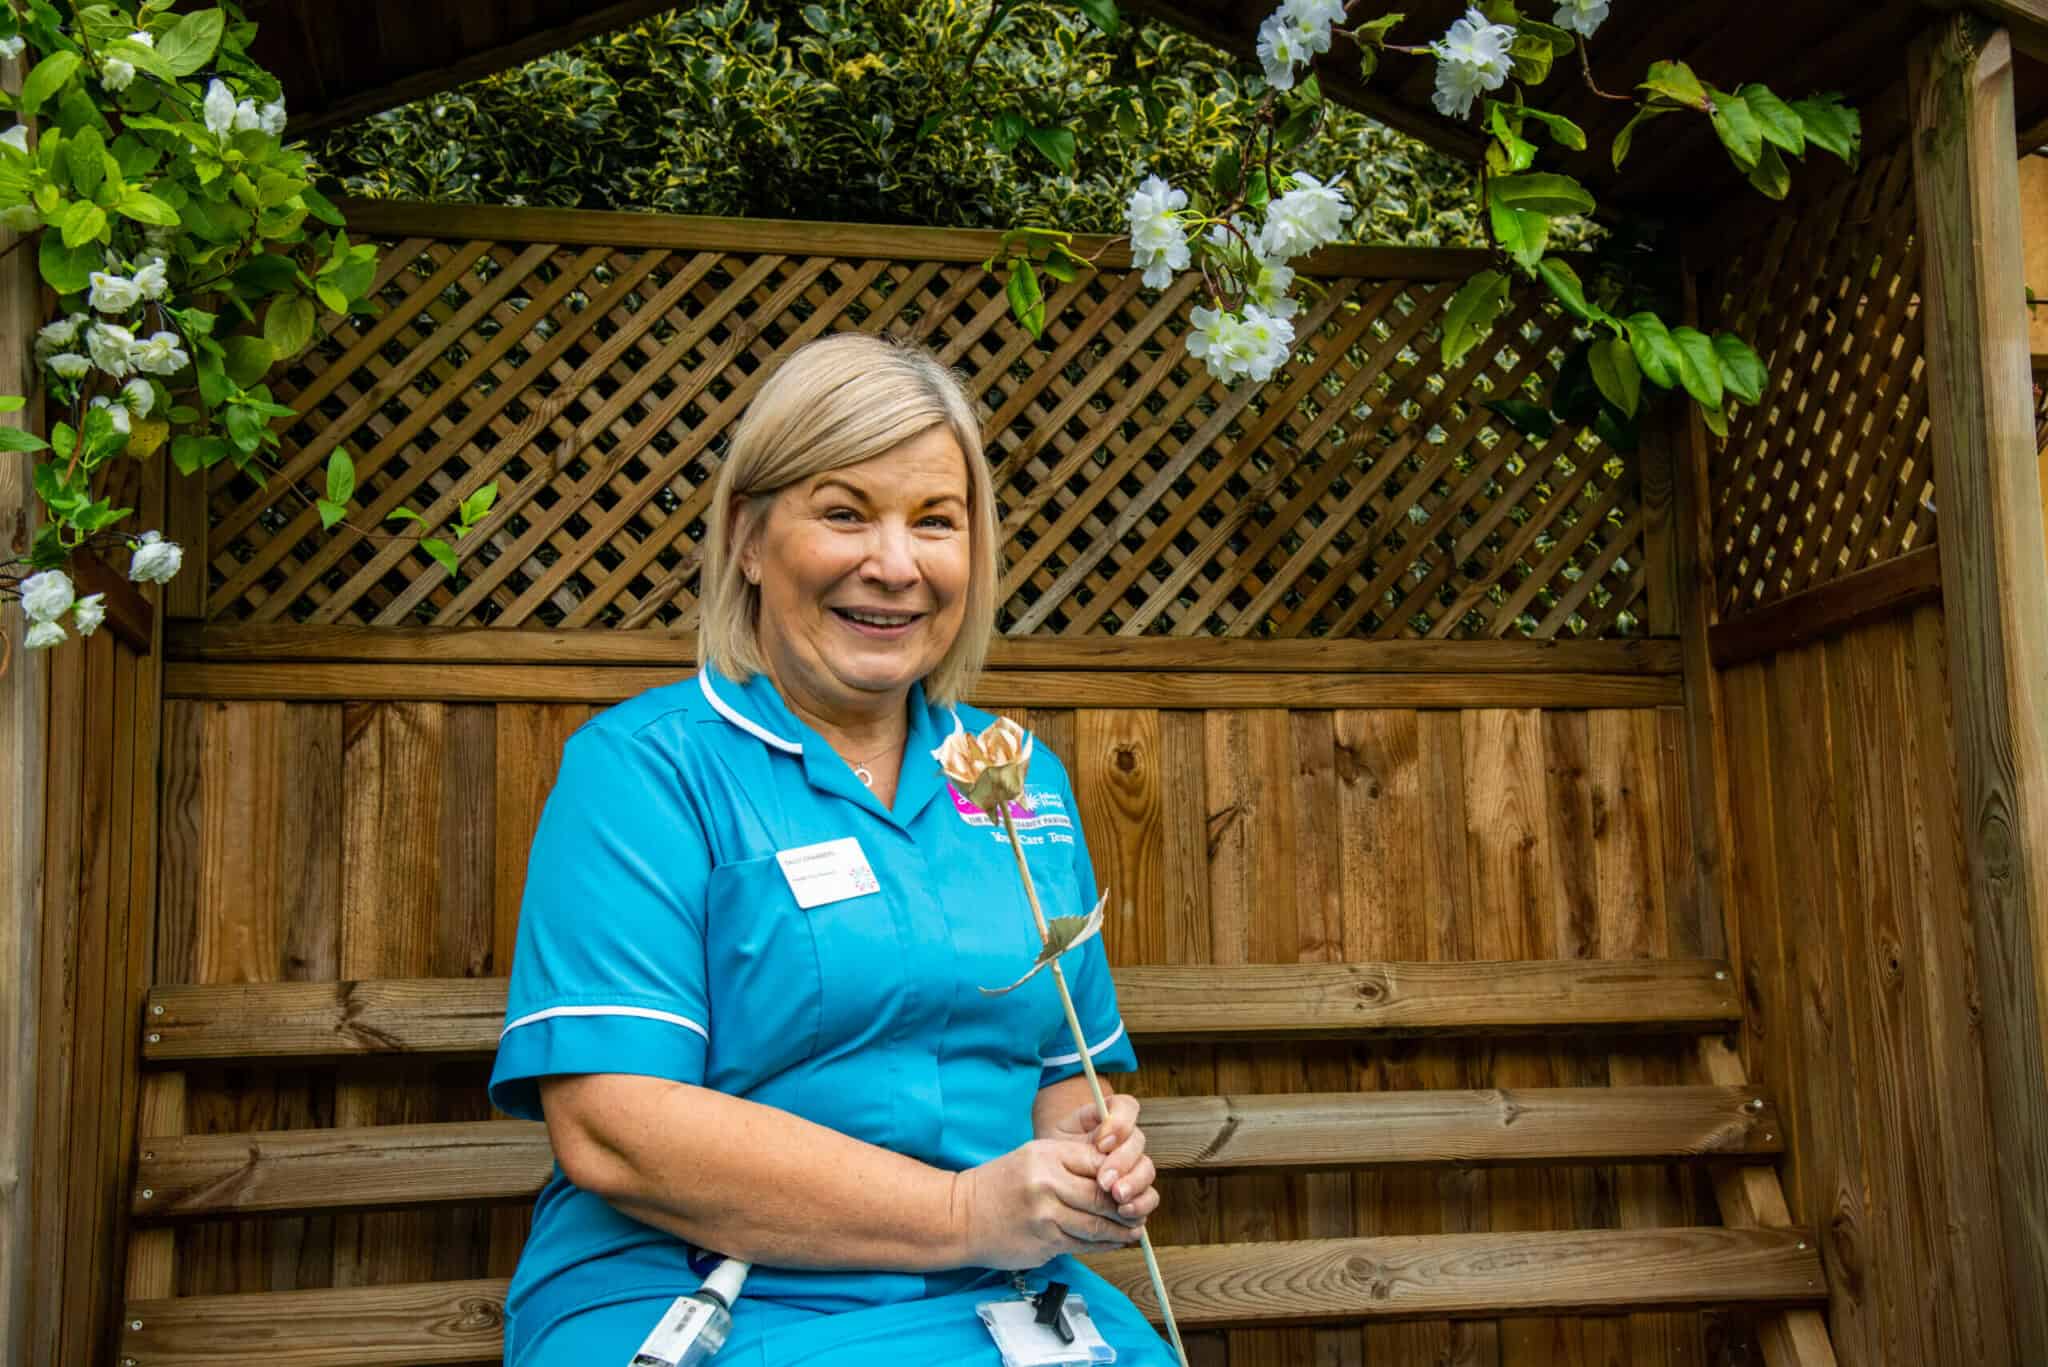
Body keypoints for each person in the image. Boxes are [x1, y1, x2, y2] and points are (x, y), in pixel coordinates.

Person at [488, 333, 1174, 1366]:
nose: (893, 564)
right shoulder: (642, 770)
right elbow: (611, 1124)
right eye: (844, 512)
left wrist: (1089, 1153)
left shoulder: (1015, 771)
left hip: (995, 1296)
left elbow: (1058, 1075)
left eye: (933, 522)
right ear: (748, 540)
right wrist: (963, 1207)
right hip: (700, 1290)